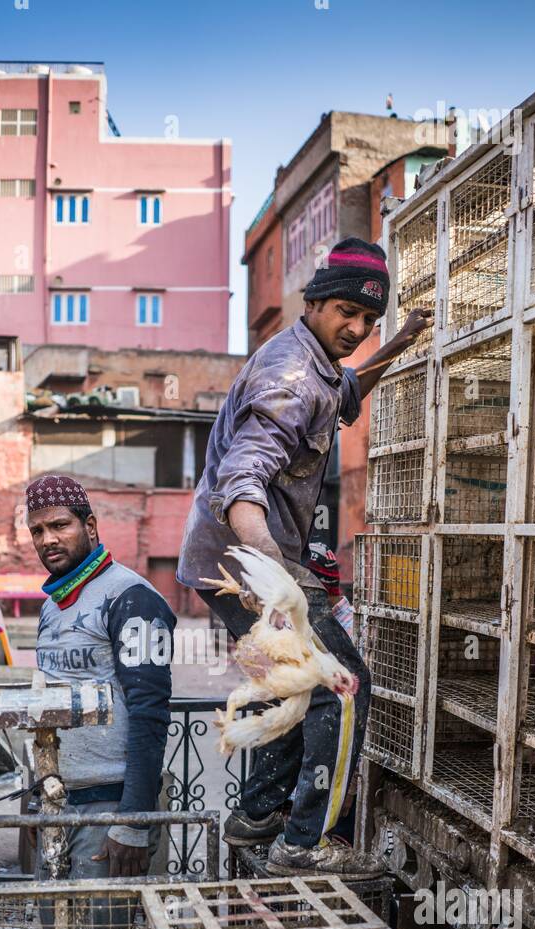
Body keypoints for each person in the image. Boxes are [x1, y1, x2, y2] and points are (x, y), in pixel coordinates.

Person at [177, 237, 431, 875]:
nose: (357, 328)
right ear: (316, 300)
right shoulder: (291, 379)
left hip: (221, 564)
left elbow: (342, 393)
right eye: (347, 311)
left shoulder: (312, 361)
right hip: (245, 564)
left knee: (291, 685)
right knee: (340, 686)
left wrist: (394, 344)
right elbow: (243, 479)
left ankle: (257, 815)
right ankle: (305, 843)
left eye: (368, 320)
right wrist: (276, 580)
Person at [25, 475, 175, 881]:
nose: (48, 540)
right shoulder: (52, 607)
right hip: (57, 802)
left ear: (89, 527)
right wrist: (38, 797)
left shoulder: (131, 597)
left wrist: (132, 822)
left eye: (60, 525)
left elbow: (150, 715)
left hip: (110, 807)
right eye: (37, 530)